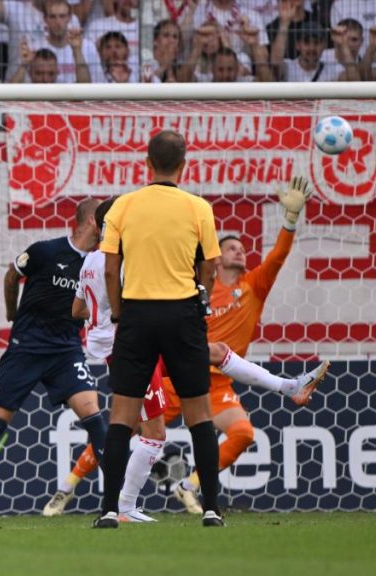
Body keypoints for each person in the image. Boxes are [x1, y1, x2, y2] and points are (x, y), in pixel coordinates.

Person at [43, 197, 329, 520]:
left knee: (215, 352)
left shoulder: (89, 263)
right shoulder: (119, 262)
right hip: (130, 348)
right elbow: (130, 296)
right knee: (149, 434)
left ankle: (289, 386)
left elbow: (77, 310)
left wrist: (101, 320)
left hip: (131, 345)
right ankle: (122, 507)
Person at [0, 199, 107, 522]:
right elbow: (10, 275)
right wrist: (11, 313)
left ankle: (117, 505)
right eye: (107, 220)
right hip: (26, 348)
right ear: (91, 222)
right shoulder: (46, 252)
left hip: (66, 350)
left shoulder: (102, 263)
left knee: (94, 417)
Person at [94, 130, 224, 529]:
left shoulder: (123, 207)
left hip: (137, 314)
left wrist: (118, 314)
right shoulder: (198, 207)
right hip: (183, 313)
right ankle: (213, 509)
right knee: (199, 413)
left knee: (122, 415)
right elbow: (210, 265)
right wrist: (201, 298)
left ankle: (109, 511)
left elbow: (112, 267)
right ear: (184, 165)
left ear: (147, 164)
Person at [170, 175, 322, 514]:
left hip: (217, 383)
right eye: (232, 247)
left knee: (242, 433)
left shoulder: (253, 286)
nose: (241, 250)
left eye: (243, 247)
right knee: (128, 428)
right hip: (179, 375)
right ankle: (78, 488)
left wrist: (290, 219)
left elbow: (279, 256)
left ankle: (188, 485)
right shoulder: (200, 286)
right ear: (217, 258)